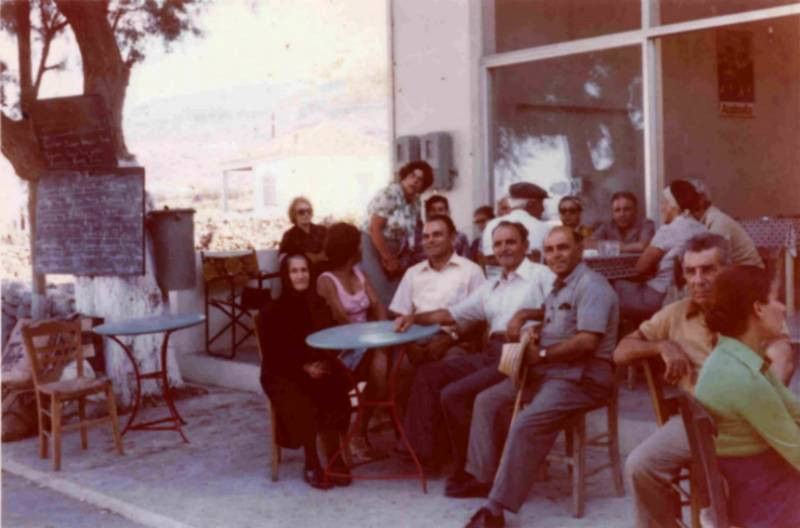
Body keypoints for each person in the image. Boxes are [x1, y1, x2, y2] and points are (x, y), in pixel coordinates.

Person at [613, 234, 794, 527]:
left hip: (748, 417)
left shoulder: (754, 309)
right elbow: (621, 351)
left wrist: (764, 403)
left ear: (728, 270)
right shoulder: (674, 315)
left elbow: (782, 355)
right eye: (690, 271)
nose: (698, 280)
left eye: (708, 269)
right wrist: (662, 346)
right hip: (697, 422)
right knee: (640, 465)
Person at [460, 226, 619, 527]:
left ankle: (495, 510)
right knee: (487, 401)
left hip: (583, 377)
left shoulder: (591, 286)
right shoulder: (560, 286)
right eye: (550, 250)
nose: (556, 255)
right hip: (551, 371)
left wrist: (543, 354)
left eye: (563, 247)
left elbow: (587, 341)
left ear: (579, 248)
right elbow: (551, 315)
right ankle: (485, 481)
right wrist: (530, 322)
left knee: (526, 423)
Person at [395, 221, 555, 479]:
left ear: (525, 246)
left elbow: (562, 309)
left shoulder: (542, 275)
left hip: (520, 355)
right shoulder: (493, 285)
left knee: (453, 394)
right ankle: (425, 455)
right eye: (499, 244)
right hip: (492, 353)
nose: (504, 249)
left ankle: (473, 470)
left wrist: (526, 315)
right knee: (429, 374)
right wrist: (415, 319)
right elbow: (451, 314)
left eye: (511, 242)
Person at [695, 265, 800, 528]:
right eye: (776, 298)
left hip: (753, 479)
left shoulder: (735, 356)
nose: (783, 308)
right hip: (759, 495)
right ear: (758, 309)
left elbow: (794, 410)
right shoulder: (744, 379)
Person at [389, 215, 486, 462]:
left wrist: (447, 341)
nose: (430, 240)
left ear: (452, 237)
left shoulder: (470, 271)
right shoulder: (413, 274)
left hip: (455, 340)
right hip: (415, 341)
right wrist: (410, 346)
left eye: (438, 234)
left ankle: (434, 450)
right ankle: (412, 440)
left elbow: (481, 317)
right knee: (398, 372)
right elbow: (400, 315)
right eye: (426, 236)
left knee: (443, 369)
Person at [258, 254, 351, 490]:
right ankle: (311, 461)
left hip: (318, 365)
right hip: (283, 371)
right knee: (303, 395)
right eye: (295, 271)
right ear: (286, 276)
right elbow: (274, 354)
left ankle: (334, 456)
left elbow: (331, 338)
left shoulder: (319, 304)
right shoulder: (273, 310)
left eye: (304, 270)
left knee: (336, 386)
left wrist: (324, 363)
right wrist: (304, 367)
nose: (301, 276)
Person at [316, 222, 389, 460]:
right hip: (342, 349)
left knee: (394, 361)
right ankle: (361, 432)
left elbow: (377, 305)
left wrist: (383, 333)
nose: (361, 249)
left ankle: (362, 430)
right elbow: (340, 321)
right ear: (349, 249)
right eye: (358, 245)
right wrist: (373, 339)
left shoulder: (360, 273)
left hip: (369, 343)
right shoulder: (326, 281)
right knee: (382, 367)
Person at [614, 180, 708, 318]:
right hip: (688, 292)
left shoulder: (668, 230)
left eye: (664, 202)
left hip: (662, 295)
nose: (661, 207)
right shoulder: (702, 228)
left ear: (673, 206)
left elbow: (641, 267)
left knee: (615, 287)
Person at [361, 161, 434, 307]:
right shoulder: (391, 193)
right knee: (380, 292)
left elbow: (415, 229)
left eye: (420, 180)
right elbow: (375, 229)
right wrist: (388, 258)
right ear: (404, 176)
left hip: (397, 252)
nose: (415, 181)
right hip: (374, 245)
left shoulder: (416, 201)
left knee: (397, 293)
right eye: (412, 176)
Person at [689, 178, 764, 268]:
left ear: (701, 199)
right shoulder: (705, 220)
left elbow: (718, 261)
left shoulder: (717, 221)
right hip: (737, 270)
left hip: (749, 273)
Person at [481, 182, 552, 263]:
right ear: (531, 204)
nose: (543, 209)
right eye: (541, 204)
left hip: (493, 276)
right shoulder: (543, 228)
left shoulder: (491, 225)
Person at [410, 195, 471, 263]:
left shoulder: (461, 238)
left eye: (441, 209)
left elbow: (466, 263)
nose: (437, 213)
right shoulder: (417, 238)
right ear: (427, 214)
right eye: (433, 210)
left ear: (447, 212)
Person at [587, 191, 655, 252]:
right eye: (617, 210)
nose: (622, 214)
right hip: (611, 265)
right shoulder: (608, 225)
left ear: (635, 210)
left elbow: (643, 246)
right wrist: (620, 247)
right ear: (612, 212)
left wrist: (621, 247)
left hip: (637, 264)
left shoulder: (646, 224)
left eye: (626, 209)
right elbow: (588, 243)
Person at [278, 197, 328, 275]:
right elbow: (284, 260)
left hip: (325, 273)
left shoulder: (322, 231)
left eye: (309, 211)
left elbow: (331, 252)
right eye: (301, 212)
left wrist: (313, 257)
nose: (306, 214)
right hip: (304, 276)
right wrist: (313, 257)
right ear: (294, 214)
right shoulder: (289, 236)